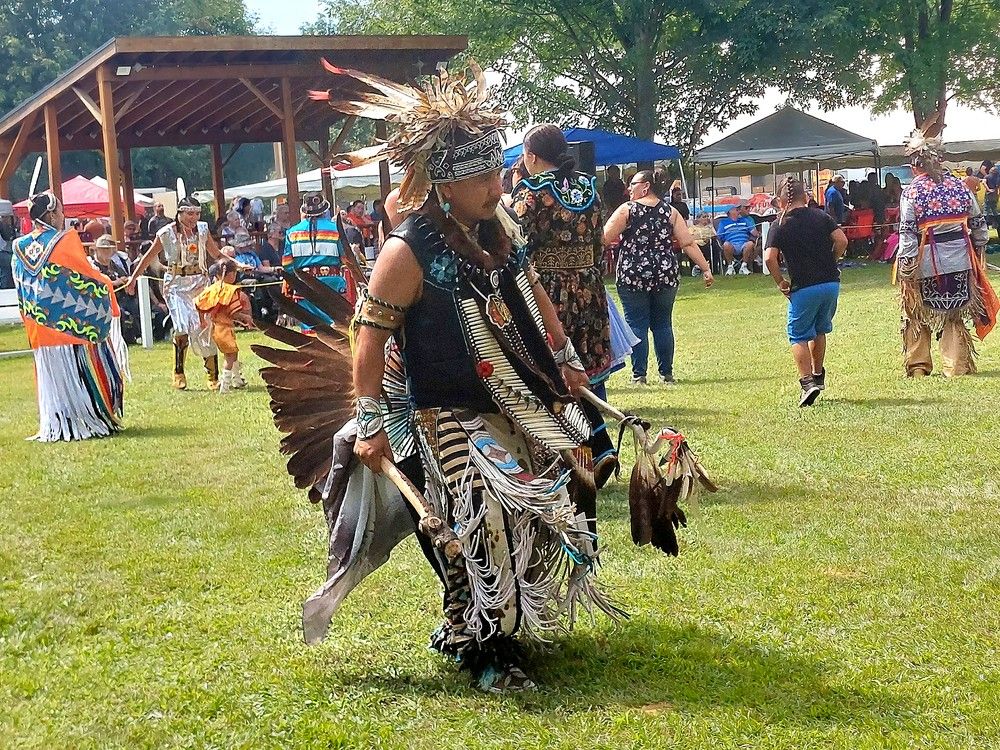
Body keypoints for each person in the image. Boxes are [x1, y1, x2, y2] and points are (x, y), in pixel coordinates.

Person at [311, 61, 621, 693]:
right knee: (482, 519)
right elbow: (370, 338)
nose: (496, 186)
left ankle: (498, 625)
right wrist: (370, 422)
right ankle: (483, 645)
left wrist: (563, 357)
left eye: (497, 173)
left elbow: (531, 290)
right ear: (445, 184)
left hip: (510, 394)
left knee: (549, 500)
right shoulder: (407, 250)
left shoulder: (496, 229)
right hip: (440, 408)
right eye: (482, 178)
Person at [511, 123, 618, 486]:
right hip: (588, 287)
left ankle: (589, 448)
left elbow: (514, 242)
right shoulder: (588, 186)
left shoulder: (531, 191)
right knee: (586, 364)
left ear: (532, 156)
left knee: (554, 366)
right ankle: (596, 447)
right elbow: (600, 241)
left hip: (549, 292)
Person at [11, 193, 127, 440]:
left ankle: (57, 419)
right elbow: (85, 276)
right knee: (77, 373)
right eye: (61, 211)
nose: (63, 216)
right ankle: (82, 417)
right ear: (52, 214)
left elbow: (23, 286)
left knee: (53, 377)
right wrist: (106, 284)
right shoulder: (64, 240)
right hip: (69, 327)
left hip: (39, 327)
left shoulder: (19, 246)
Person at [603, 168, 714, 384]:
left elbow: (604, 238)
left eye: (633, 184)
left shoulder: (627, 210)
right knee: (663, 324)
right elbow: (687, 243)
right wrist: (706, 269)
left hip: (633, 274)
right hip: (665, 274)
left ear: (645, 187)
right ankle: (667, 373)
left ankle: (639, 375)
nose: (628, 189)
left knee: (636, 323)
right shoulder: (670, 211)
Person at [896, 132, 992, 377]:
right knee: (954, 314)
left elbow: (908, 232)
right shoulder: (959, 187)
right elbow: (978, 224)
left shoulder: (912, 192)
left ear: (914, 165)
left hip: (924, 262)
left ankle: (918, 367)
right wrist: (979, 248)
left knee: (916, 313)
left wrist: (906, 265)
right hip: (960, 260)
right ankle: (956, 366)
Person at [764, 175, 848, 406]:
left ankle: (807, 383)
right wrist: (832, 260)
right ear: (806, 197)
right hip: (830, 284)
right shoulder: (822, 216)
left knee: (798, 335)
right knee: (820, 329)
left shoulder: (780, 224)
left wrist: (781, 282)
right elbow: (841, 240)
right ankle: (818, 374)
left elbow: (769, 257)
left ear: (781, 201)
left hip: (803, 287)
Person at [127, 196, 224, 390]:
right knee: (181, 326)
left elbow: (217, 254)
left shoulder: (202, 230)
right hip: (176, 285)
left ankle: (213, 375)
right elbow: (149, 257)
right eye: (189, 213)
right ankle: (178, 372)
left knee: (204, 327)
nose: (194, 218)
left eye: (197, 214)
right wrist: (133, 278)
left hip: (199, 282)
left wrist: (236, 264)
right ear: (179, 213)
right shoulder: (166, 233)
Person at [283, 192, 348, 323]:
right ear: (324, 211)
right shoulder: (336, 230)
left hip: (304, 284)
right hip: (333, 284)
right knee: (336, 324)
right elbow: (345, 259)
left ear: (304, 211)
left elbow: (287, 264)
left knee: (310, 324)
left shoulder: (292, 233)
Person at [196, 259, 253, 393]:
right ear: (231, 274)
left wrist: (202, 321)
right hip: (224, 327)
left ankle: (237, 379)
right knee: (230, 356)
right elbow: (233, 312)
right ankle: (225, 385)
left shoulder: (211, 289)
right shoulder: (230, 291)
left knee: (233, 351)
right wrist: (246, 317)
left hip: (214, 326)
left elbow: (198, 304)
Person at [717, 204, 758, 275]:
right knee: (726, 244)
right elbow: (719, 236)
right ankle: (730, 267)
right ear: (730, 212)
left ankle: (744, 266)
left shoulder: (745, 220)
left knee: (750, 244)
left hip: (744, 243)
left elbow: (754, 233)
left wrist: (756, 229)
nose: (739, 211)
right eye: (737, 210)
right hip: (731, 244)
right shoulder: (723, 222)